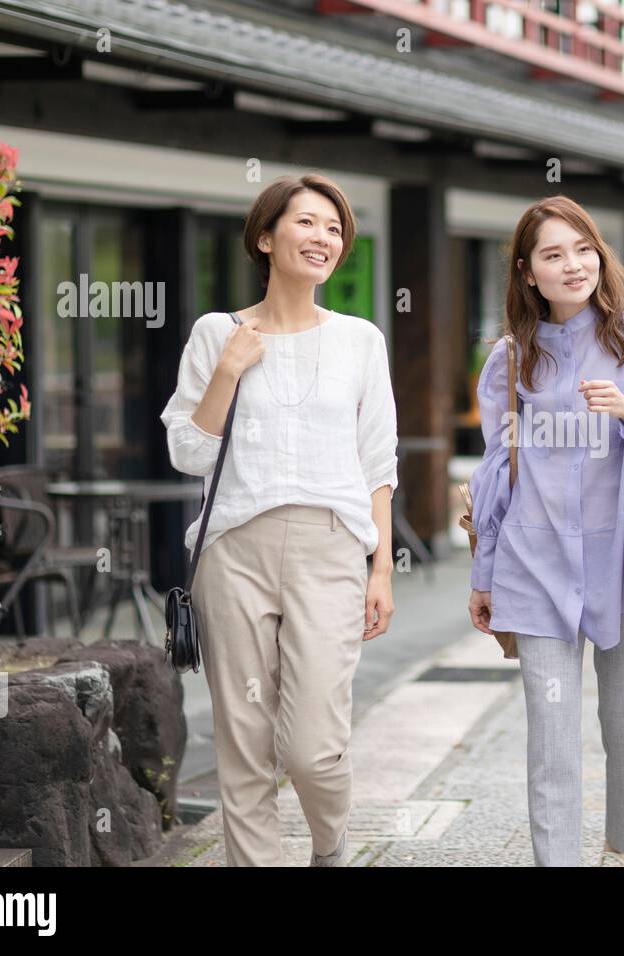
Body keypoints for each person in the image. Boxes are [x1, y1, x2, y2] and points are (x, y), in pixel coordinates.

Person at [159, 173, 398, 867]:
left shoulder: (360, 340)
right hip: (234, 551)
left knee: (313, 748)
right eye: (307, 223)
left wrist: (381, 567)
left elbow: (376, 459)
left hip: (330, 550)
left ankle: (330, 845)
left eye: (334, 228)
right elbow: (186, 453)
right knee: (245, 743)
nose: (324, 238)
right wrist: (228, 372)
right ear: (266, 238)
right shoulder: (217, 334)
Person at [466, 195, 624, 866]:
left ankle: (619, 849)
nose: (573, 265)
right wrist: (484, 577)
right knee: (552, 737)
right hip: (535, 568)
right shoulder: (511, 360)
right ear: (526, 272)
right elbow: (495, 475)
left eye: (583, 249)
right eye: (552, 255)